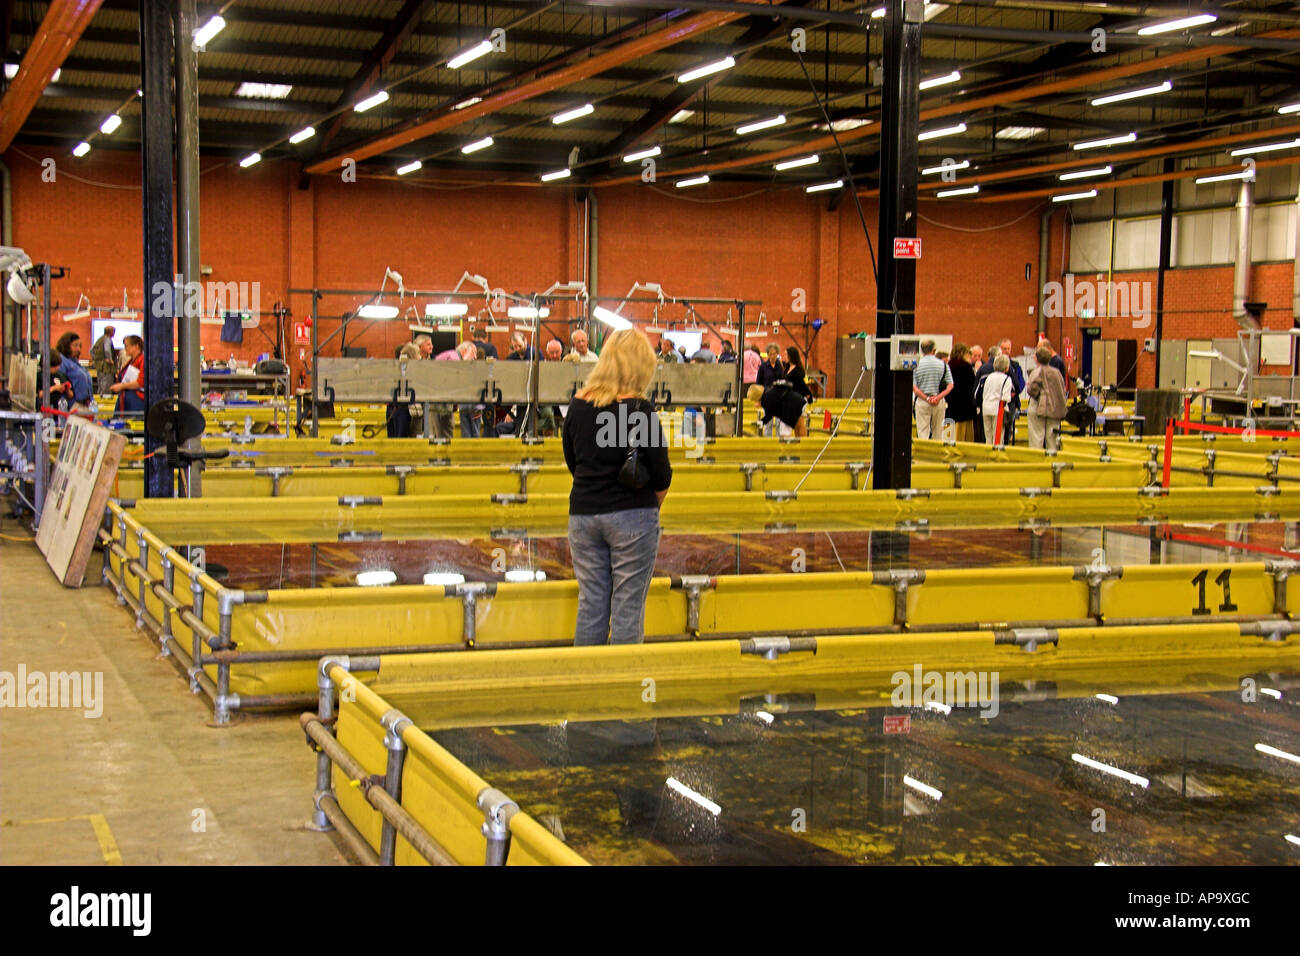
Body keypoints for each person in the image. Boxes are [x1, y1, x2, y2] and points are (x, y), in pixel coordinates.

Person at [561, 329, 671, 645]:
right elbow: (662, 475)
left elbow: (573, 462)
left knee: (592, 603)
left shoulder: (578, 406)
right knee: (627, 607)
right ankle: (622, 686)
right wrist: (645, 511)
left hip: (583, 516)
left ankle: (587, 685)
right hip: (632, 515)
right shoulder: (640, 410)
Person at [1026, 345, 1068, 451]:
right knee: (1052, 438)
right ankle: (1052, 462)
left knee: (1036, 438)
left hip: (1038, 408)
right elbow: (1062, 388)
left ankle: (1037, 463)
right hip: (1054, 408)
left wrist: (1041, 396)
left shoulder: (1036, 372)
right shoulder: (1057, 373)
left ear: (1036, 358)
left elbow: (1032, 390)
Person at [911, 339, 952, 441]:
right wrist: (937, 397)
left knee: (922, 432)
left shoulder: (916, 365)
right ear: (934, 350)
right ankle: (937, 454)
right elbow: (950, 385)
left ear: (922, 351)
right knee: (938, 433)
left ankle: (923, 455)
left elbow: (915, 389)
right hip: (939, 402)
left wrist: (928, 398)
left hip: (922, 401)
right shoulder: (943, 365)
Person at [980, 353, 1017, 446]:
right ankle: (996, 456)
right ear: (1007, 367)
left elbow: (984, 393)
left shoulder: (988, 377)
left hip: (986, 407)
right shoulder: (1007, 379)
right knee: (998, 436)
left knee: (988, 435)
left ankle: (987, 454)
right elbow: (1005, 398)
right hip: (998, 409)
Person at [946, 343, 977, 443]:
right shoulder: (966, 367)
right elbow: (973, 385)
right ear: (963, 354)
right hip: (965, 406)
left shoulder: (948, 366)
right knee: (964, 437)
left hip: (951, 405)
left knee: (949, 434)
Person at [998, 337, 1026, 444]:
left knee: (1009, 425)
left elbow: (1021, 382)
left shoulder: (1015, 365)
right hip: (999, 401)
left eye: (1008, 349)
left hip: (1012, 402)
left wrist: (1015, 392)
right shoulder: (994, 365)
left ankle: (1006, 442)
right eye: (1004, 348)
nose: (1006, 351)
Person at [109, 335, 146, 414]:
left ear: (136, 346)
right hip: (126, 399)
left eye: (126, 345)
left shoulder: (142, 360)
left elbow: (141, 382)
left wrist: (121, 386)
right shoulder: (131, 361)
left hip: (136, 401)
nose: (125, 348)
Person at [55, 331, 93, 407]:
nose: (78, 349)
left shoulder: (75, 362)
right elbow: (61, 384)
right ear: (66, 345)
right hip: (72, 406)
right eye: (75, 345)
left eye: (79, 346)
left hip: (86, 405)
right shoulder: (61, 361)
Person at [90, 326, 118, 393]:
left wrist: (96, 359)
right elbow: (107, 350)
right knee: (106, 387)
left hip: (100, 367)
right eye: (114, 331)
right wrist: (110, 359)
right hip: (107, 367)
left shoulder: (100, 339)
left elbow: (91, 351)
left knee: (101, 386)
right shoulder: (107, 339)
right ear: (111, 332)